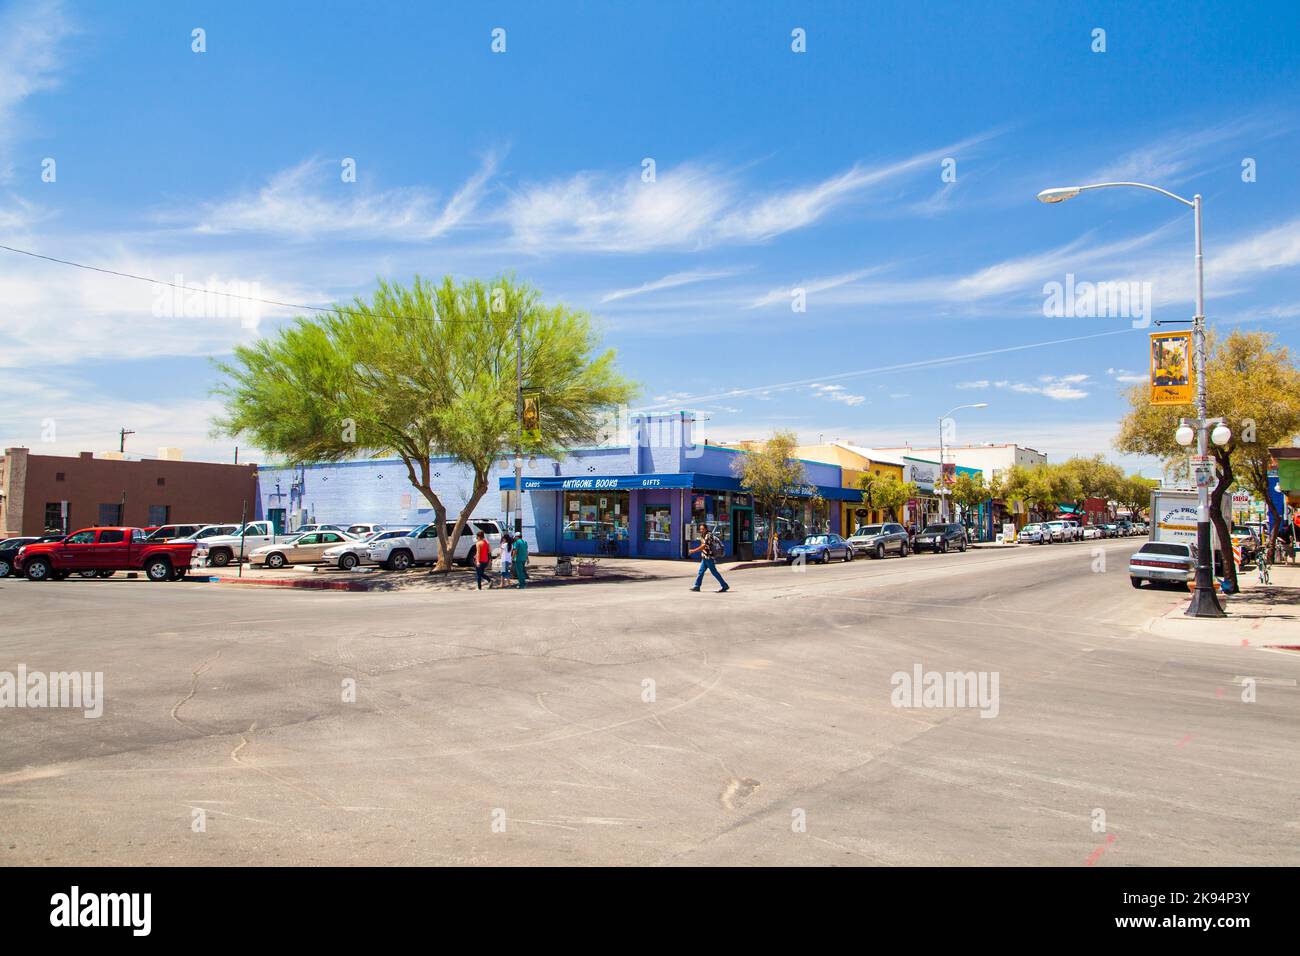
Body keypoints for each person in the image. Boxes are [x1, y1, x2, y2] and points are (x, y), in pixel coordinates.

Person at [689, 521, 729, 593]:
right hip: (705, 557)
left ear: (706, 529)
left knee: (714, 572)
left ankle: (724, 585)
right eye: (700, 529)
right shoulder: (703, 535)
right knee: (701, 572)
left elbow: (704, 545)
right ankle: (697, 586)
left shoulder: (708, 535)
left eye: (703, 529)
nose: (701, 530)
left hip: (709, 557)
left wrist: (693, 551)